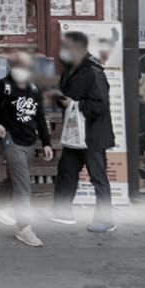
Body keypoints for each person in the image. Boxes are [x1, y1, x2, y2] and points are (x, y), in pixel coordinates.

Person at [0, 50, 54, 248]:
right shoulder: (2, 87)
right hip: (10, 140)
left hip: (29, 141)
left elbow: (40, 118)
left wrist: (46, 143)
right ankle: (24, 228)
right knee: (22, 185)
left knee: (17, 177)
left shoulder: (34, 89)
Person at [49, 30, 116, 232]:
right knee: (66, 171)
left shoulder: (93, 71)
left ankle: (106, 220)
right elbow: (66, 96)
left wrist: (74, 104)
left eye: (66, 47)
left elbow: (100, 105)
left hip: (92, 135)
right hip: (74, 134)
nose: (62, 52)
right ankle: (62, 212)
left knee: (98, 177)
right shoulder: (70, 70)